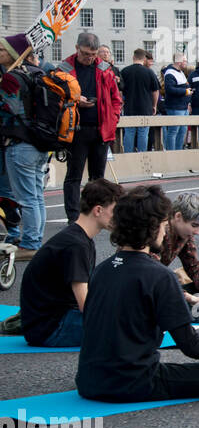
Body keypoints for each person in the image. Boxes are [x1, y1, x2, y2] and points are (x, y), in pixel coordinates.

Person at [75, 186, 199, 403]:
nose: (163, 230)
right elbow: (191, 345)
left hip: (88, 380)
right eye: (162, 224)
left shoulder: (102, 269)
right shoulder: (158, 275)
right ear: (152, 228)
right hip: (132, 382)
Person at [19, 178, 124, 347]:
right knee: (129, 327)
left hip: (48, 320)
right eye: (115, 211)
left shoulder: (80, 238)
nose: (119, 217)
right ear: (98, 210)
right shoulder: (77, 245)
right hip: (51, 328)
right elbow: (86, 305)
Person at [0, 32, 52, 258]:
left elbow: (9, 109)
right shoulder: (31, 74)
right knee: (36, 196)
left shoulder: (11, 78)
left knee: (27, 198)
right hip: (38, 142)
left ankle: (30, 243)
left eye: (2, 50)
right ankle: (36, 239)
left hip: (19, 144)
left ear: (12, 54)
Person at [62, 32, 123, 221]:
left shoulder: (105, 69)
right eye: (86, 54)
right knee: (74, 176)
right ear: (77, 49)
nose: (90, 58)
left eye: (93, 54)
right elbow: (55, 98)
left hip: (101, 129)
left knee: (98, 178)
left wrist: (114, 117)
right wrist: (74, 100)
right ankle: (74, 217)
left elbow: (116, 98)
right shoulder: (64, 68)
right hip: (76, 130)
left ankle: (96, 214)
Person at [157, 191, 199, 311]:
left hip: (157, 280)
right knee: (168, 288)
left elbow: (193, 266)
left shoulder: (184, 234)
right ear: (178, 217)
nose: (197, 232)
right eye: (194, 225)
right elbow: (153, 276)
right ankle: (194, 308)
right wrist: (190, 298)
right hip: (140, 285)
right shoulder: (156, 232)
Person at [119, 48, 160, 153]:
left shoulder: (124, 71)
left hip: (129, 106)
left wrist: (121, 103)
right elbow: (155, 91)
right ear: (144, 59)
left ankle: (128, 157)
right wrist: (154, 105)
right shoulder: (149, 72)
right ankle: (142, 155)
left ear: (133, 57)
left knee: (129, 133)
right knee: (143, 134)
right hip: (145, 107)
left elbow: (120, 90)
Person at [160, 52, 192, 151]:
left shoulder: (180, 72)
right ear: (179, 62)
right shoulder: (170, 73)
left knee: (182, 131)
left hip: (183, 106)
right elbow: (170, 90)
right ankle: (172, 153)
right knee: (174, 131)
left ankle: (178, 152)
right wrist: (185, 91)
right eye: (185, 61)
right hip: (175, 107)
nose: (186, 63)